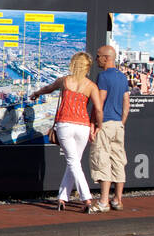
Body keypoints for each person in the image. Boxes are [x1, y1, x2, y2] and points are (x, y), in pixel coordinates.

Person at [28, 52, 104, 213]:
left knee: (73, 162)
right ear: (87, 67)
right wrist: (98, 126)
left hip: (65, 125)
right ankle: (84, 199)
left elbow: (48, 89)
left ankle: (69, 198)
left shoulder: (64, 81)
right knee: (74, 162)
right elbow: (98, 109)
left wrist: (36, 94)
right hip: (83, 126)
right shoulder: (91, 86)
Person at [91, 45, 129, 211]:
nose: (97, 59)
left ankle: (103, 202)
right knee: (118, 161)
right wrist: (121, 122)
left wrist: (95, 124)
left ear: (107, 58)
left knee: (102, 160)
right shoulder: (122, 77)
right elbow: (126, 103)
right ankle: (118, 200)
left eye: (99, 56)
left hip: (105, 124)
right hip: (118, 126)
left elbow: (99, 103)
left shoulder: (103, 76)